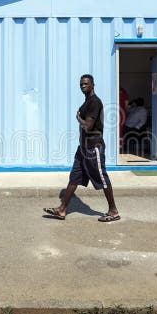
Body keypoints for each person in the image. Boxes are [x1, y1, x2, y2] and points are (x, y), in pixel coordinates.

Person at [44, 74, 120, 222]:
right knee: (74, 177)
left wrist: (78, 118)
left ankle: (113, 210)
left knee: (102, 178)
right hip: (83, 149)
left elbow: (87, 126)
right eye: (81, 84)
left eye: (86, 84)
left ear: (93, 85)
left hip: (93, 148)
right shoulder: (87, 102)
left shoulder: (95, 103)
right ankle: (62, 209)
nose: (83, 86)